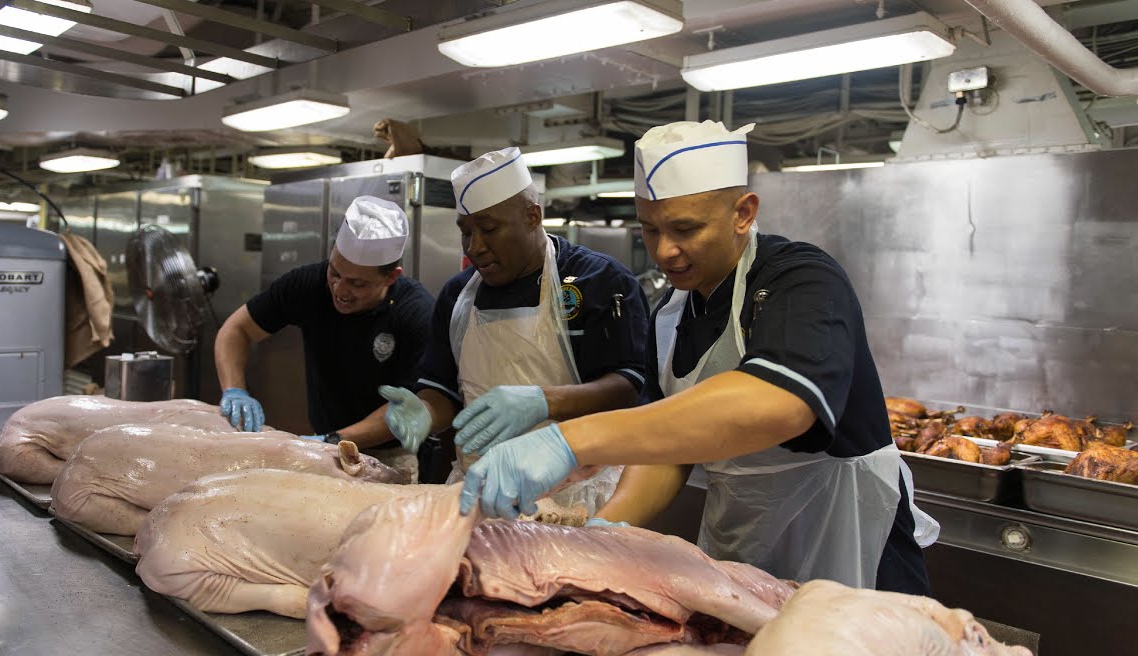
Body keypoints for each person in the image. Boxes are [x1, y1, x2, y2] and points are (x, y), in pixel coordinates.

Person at [459, 121, 939, 594]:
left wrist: (570, 440)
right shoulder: (672, 313)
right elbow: (669, 449)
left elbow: (778, 404)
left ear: (743, 213)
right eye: (649, 229)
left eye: (685, 229)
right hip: (744, 555)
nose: (666, 251)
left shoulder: (802, 280)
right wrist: (607, 529)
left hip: (849, 553)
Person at [379, 147, 649, 511]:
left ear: (532, 216)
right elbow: (443, 391)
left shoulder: (599, 281)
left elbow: (628, 389)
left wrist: (542, 401)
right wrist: (426, 412)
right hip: (479, 493)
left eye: (489, 229)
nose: (475, 247)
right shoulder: (458, 296)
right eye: (466, 232)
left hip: (574, 500)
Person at [214, 195, 433, 480]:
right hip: (321, 443)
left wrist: (332, 440)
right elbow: (236, 330)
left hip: (390, 454)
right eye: (335, 273)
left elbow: (407, 408)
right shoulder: (308, 285)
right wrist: (235, 390)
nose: (340, 289)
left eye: (357, 283)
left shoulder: (415, 312)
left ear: (391, 277)